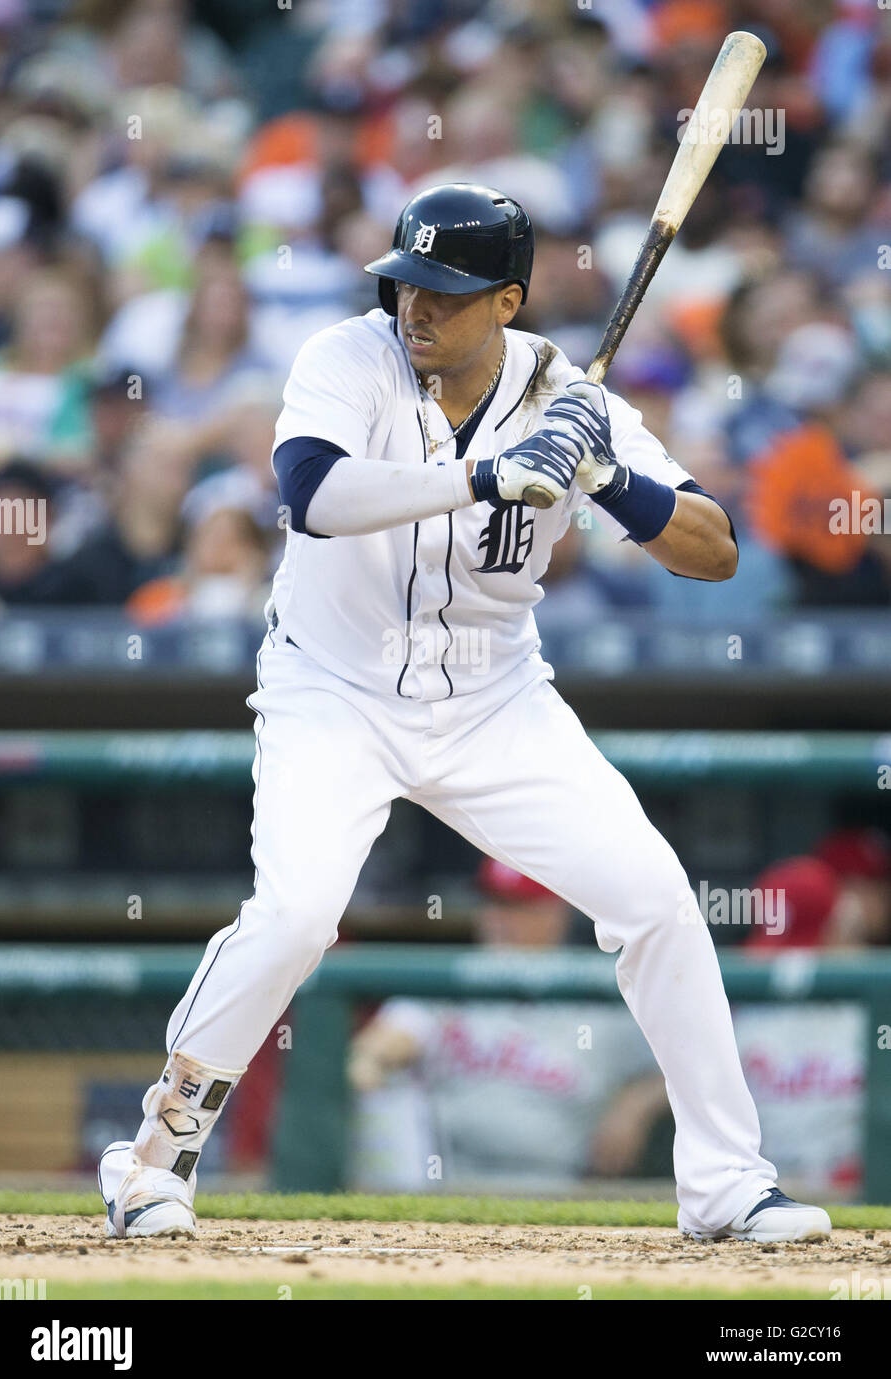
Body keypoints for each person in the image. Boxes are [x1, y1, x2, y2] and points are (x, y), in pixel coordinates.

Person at [98, 183, 830, 1245]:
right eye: (406, 285)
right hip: (332, 689)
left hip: (494, 699)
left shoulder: (571, 396)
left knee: (659, 901)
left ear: (508, 301)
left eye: (445, 293)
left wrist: (610, 475)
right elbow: (313, 493)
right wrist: (489, 475)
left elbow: (714, 551)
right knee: (298, 914)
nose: (415, 310)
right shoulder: (345, 359)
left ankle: (725, 1181)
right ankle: (153, 1163)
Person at [349, 857, 664, 1193]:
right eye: (493, 903)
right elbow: (391, 1036)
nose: (499, 919)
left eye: (518, 907)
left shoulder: (595, 989)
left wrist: (637, 1103)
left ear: (555, 913)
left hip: (558, 1188)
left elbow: (688, 1064)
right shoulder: (451, 981)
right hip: (447, 1181)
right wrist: (373, 1060)